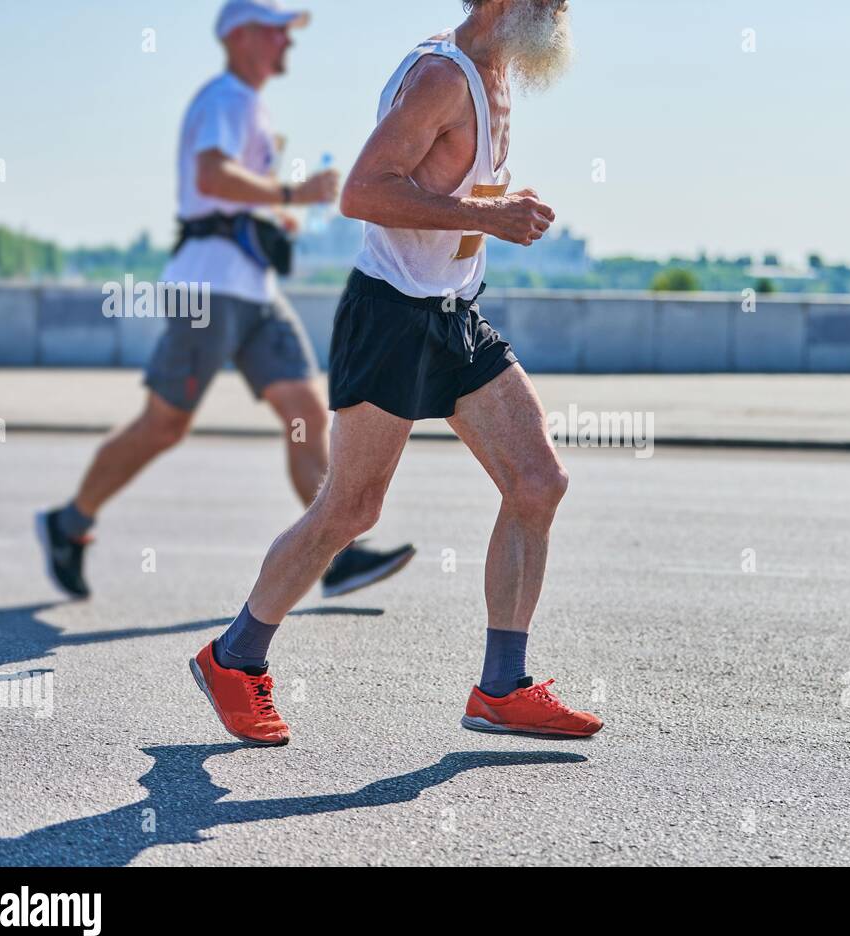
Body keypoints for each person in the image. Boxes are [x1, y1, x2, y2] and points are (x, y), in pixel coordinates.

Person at [190, 0, 602, 746]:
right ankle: (234, 656)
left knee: (538, 481)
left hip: (451, 315)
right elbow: (364, 192)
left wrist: (494, 210)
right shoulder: (445, 77)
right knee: (350, 511)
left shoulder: (494, 71)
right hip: (389, 317)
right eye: (552, 0)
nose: (562, 11)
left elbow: (438, 185)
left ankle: (501, 688)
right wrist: (494, 215)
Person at [36, 0, 415, 602]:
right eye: (278, 33)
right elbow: (211, 178)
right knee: (165, 426)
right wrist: (294, 191)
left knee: (306, 415)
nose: (289, 44)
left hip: (253, 290)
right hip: (207, 291)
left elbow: (226, 193)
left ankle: (335, 556)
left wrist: (273, 215)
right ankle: (69, 523)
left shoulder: (251, 107)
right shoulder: (225, 99)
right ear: (242, 37)